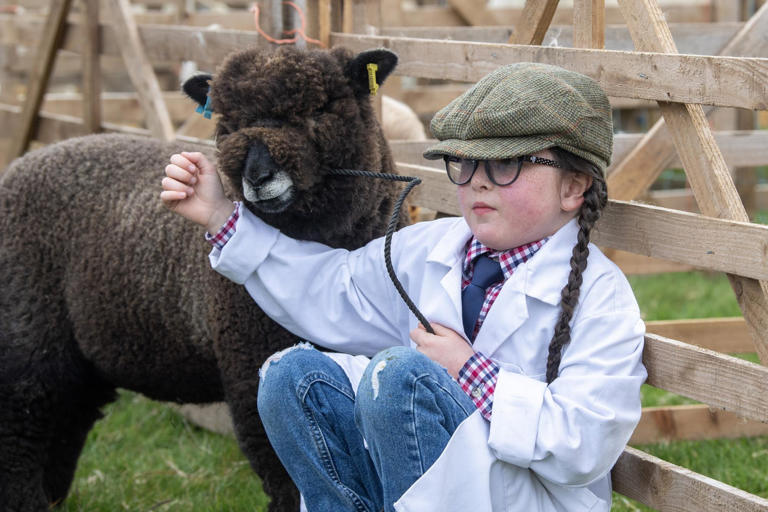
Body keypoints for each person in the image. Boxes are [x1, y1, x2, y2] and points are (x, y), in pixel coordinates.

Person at [161, 62, 647, 512]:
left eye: (506, 164)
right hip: (429, 479)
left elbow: (583, 443)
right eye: (466, 164)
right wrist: (223, 217)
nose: (477, 182)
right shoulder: (427, 249)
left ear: (572, 187)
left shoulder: (600, 297)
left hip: (528, 498)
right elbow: (332, 290)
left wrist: (466, 371)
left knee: (402, 377)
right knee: (292, 374)